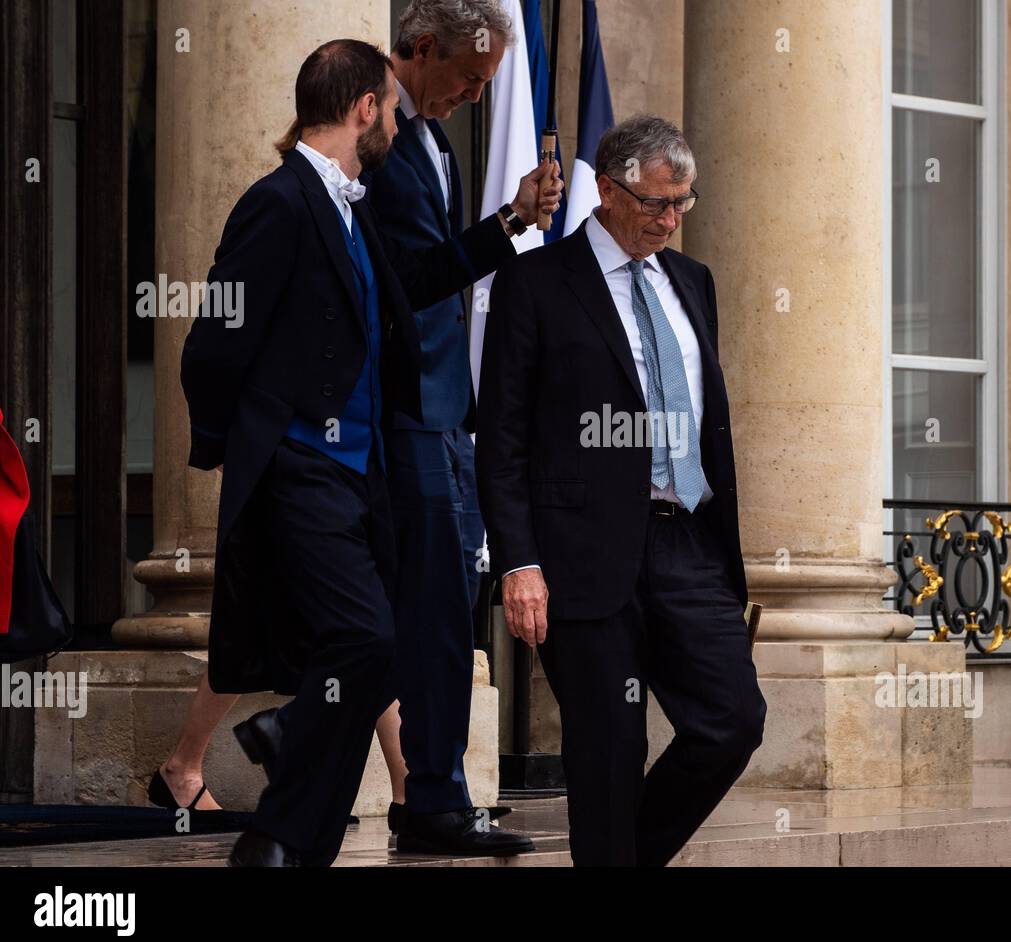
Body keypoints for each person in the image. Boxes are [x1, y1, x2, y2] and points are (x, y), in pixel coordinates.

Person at [180, 37, 560, 867]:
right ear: (364, 109)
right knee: (365, 642)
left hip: (360, 474)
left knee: (378, 644)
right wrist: (235, 447)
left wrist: (509, 224)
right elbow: (214, 345)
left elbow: (414, 291)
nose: (400, 119)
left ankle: (287, 830)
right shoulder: (278, 204)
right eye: (389, 107)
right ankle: (281, 811)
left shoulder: (351, 209)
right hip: (300, 467)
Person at [476, 114, 767, 867]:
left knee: (732, 720)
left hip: (684, 542)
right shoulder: (535, 282)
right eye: (654, 203)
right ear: (605, 189)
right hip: (579, 553)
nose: (669, 220)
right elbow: (502, 438)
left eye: (682, 204)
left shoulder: (693, 282)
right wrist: (517, 561)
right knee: (609, 747)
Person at [366, 0, 533, 856]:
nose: (476, 97)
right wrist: (506, 227)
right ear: (422, 48)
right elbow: (416, 278)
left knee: (435, 611)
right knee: (428, 613)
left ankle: (416, 786)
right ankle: (433, 798)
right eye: (470, 78)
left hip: (446, 411)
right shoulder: (383, 135)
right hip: (403, 414)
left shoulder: (432, 143)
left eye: (488, 84)